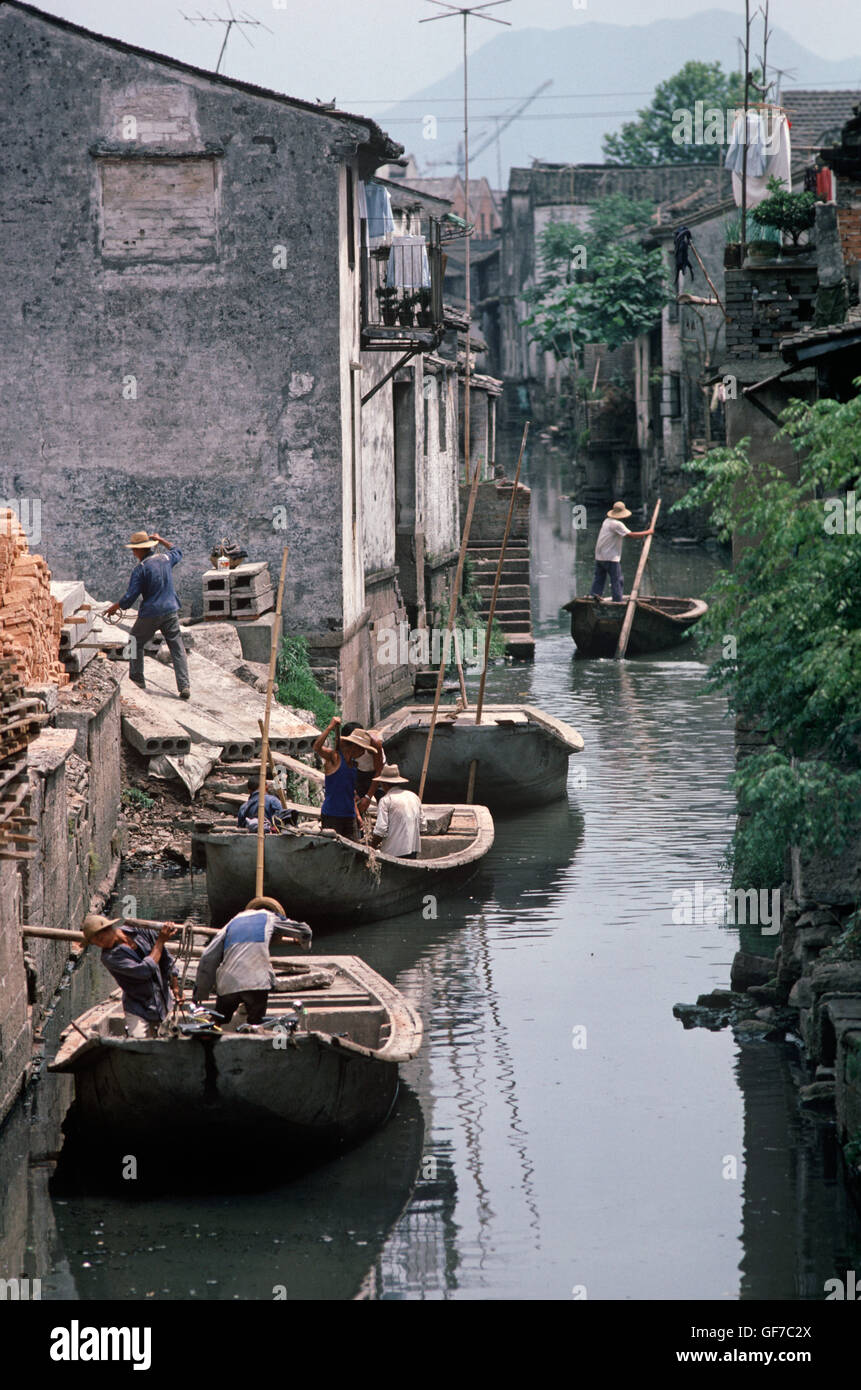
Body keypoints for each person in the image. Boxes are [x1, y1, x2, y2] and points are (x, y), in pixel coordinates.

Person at [192, 903, 312, 1026]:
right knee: (256, 1022)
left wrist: (199, 994)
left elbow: (208, 956)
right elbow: (305, 931)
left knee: (219, 1019)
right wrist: (304, 944)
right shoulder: (270, 916)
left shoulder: (232, 922)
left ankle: (209, 1034)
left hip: (228, 983)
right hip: (256, 981)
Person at [105, 529, 190, 699]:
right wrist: (162, 539)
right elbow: (177, 551)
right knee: (177, 647)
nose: (133, 553)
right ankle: (184, 685)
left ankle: (137, 679)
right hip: (171, 610)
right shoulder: (165, 559)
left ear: (139, 550)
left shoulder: (140, 569)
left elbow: (130, 597)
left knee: (134, 641)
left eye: (134, 550)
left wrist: (115, 607)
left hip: (151, 613)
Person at [82, 913, 182, 1039]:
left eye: (101, 939)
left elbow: (167, 960)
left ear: (109, 929)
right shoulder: (109, 957)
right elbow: (145, 970)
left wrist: (176, 987)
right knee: (138, 1042)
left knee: (169, 1039)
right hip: (138, 1008)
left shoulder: (139, 931)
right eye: (96, 944)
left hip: (163, 1003)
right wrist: (160, 940)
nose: (101, 945)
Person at [589, 502, 654, 603]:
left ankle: (594, 597)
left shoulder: (606, 521)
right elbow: (631, 535)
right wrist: (648, 532)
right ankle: (617, 602)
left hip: (600, 556)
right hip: (610, 557)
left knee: (599, 578)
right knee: (617, 580)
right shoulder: (617, 524)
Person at [313, 715, 363, 838]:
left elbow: (350, 794)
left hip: (349, 816)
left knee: (353, 850)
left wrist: (357, 815)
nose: (364, 752)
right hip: (332, 815)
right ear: (354, 746)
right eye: (362, 748)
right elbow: (317, 747)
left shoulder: (354, 765)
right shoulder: (334, 758)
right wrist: (330, 727)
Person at [370, 764, 422, 859]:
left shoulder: (386, 800)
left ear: (383, 784)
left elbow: (380, 830)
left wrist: (371, 847)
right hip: (413, 849)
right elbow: (422, 826)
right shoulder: (414, 797)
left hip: (393, 853)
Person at [340, 722, 385, 815]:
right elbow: (346, 769)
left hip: (378, 772)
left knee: (384, 802)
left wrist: (368, 797)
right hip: (360, 771)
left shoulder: (375, 744)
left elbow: (378, 771)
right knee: (356, 803)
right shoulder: (343, 744)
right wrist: (354, 792)